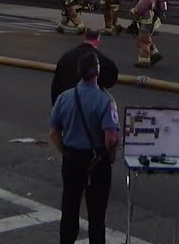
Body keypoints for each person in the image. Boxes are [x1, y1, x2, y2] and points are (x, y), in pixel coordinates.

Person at [48, 50, 120, 244]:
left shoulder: (64, 97)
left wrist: (66, 151)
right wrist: (110, 157)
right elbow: (111, 139)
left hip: (72, 159)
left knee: (69, 208)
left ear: (78, 72)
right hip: (97, 161)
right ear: (97, 73)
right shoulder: (106, 101)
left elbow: (54, 133)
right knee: (97, 215)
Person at [51, 29, 120, 105]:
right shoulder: (104, 61)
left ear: (85, 36)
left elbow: (56, 85)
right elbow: (111, 81)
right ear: (98, 40)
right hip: (91, 104)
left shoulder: (66, 57)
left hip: (67, 104)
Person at [130, 0, 164, 68]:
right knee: (147, 39)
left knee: (142, 41)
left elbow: (138, 9)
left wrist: (133, 11)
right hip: (151, 21)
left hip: (146, 22)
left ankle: (144, 62)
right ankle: (155, 54)